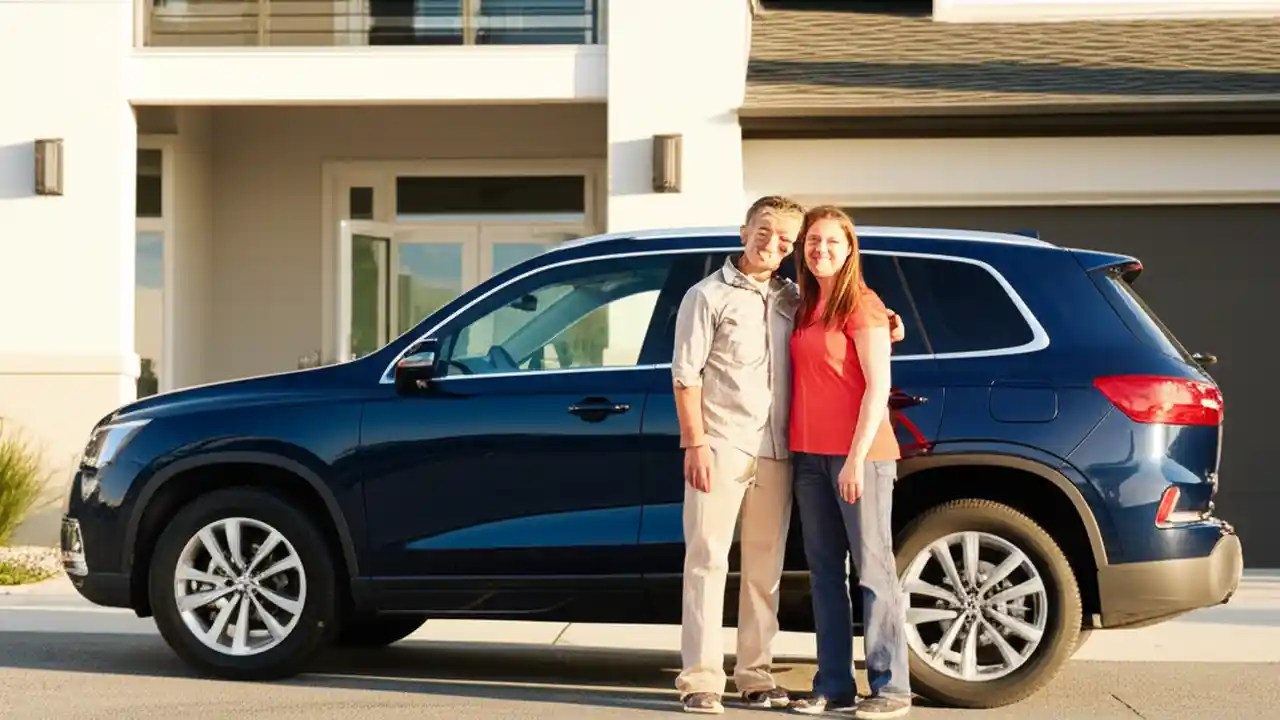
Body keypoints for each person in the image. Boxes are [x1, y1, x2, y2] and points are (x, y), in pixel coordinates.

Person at [670, 197, 904, 715]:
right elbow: (685, 375)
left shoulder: (793, 298)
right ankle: (701, 679)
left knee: (764, 570)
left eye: (785, 239)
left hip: (780, 452)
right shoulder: (705, 296)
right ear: (743, 231)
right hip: (724, 445)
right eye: (764, 232)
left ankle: (755, 675)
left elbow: (852, 320)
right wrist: (696, 443)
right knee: (707, 562)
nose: (774, 244)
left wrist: (888, 321)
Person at [786, 206, 912, 719]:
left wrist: (855, 460)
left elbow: (878, 387)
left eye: (832, 242)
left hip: (859, 458)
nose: (821, 250)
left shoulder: (862, 304)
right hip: (809, 457)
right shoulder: (803, 306)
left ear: (850, 248)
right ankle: (833, 685)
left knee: (874, 572)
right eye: (813, 241)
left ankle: (891, 689)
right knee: (823, 575)